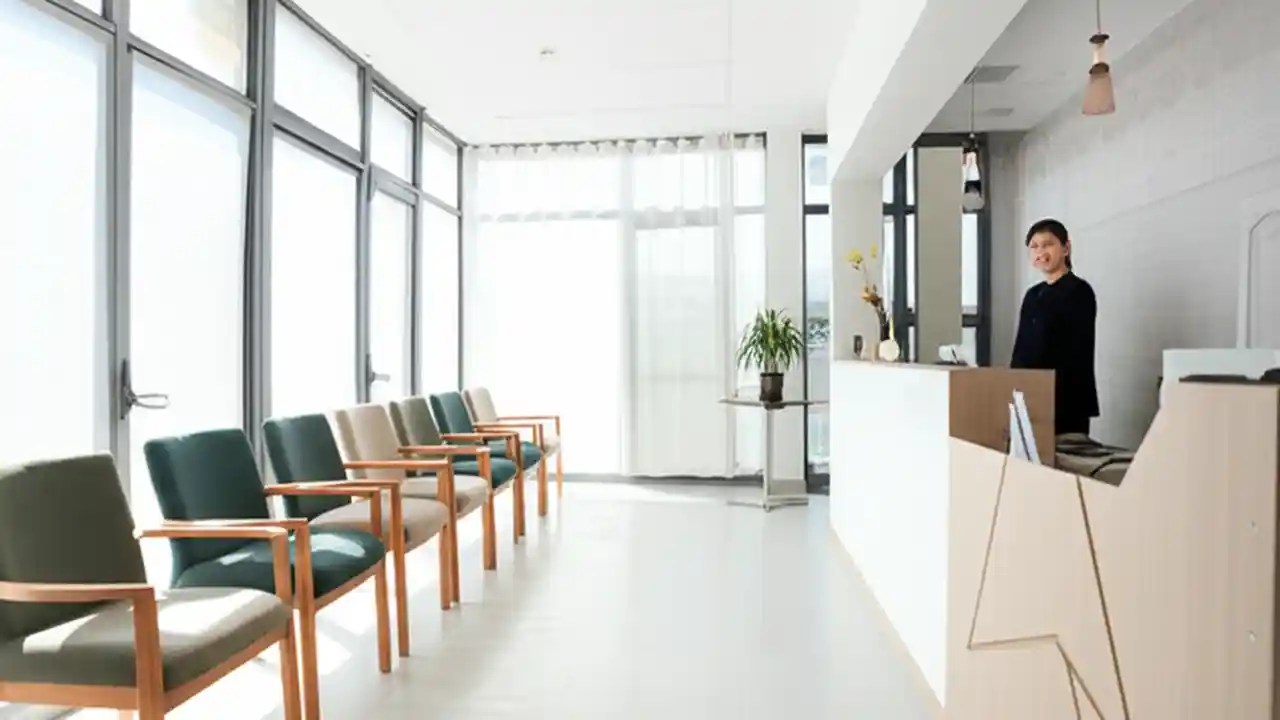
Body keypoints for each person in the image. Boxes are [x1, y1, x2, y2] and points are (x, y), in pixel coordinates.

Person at [1011, 219, 1099, 435]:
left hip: (1066, 399)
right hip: (1030, 395)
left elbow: (1073, 351)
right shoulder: (1032, 295)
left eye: (1047, 244)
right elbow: (1021, 347)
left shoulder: (1079, 290)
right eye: (1034, 246)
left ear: (1066, 248)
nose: (1040, 251)